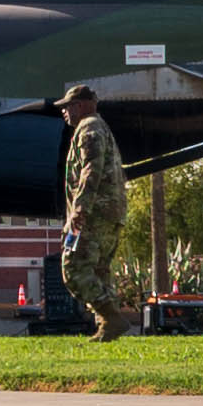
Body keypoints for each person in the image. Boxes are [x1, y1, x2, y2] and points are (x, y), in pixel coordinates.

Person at [58, 80, 129, 339]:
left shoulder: (89, 128)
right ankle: (107, 326)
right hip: (109, 214)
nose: (64, 112)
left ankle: (111, 318)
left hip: (93, 214)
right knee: (99, 270)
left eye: (68, 106)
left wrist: (79, 210)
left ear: (81, 106)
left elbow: (91, 170)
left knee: (73, 267)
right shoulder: (99, 127)